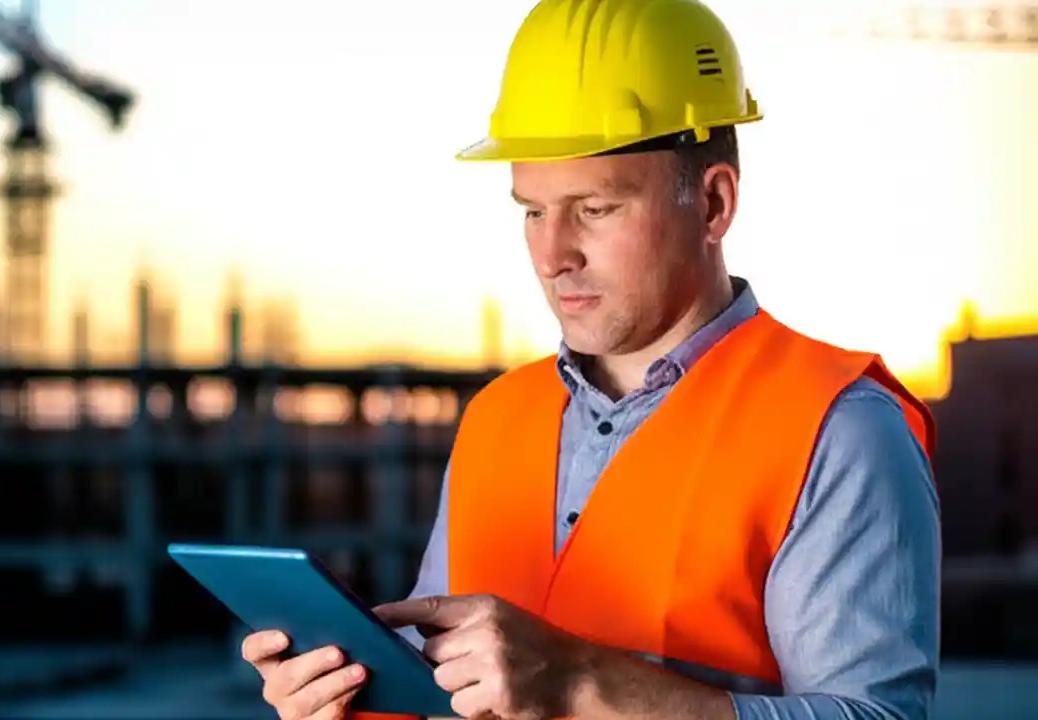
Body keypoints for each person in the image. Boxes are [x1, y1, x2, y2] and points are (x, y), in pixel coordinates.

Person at [241, 0, 941, 718]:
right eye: (533, 211)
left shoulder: (837, 427)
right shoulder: (496, 418)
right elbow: (444, 696)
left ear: (712, 204)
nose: (554, 255)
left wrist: (578, 683)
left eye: (595, 209)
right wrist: (350, 702)